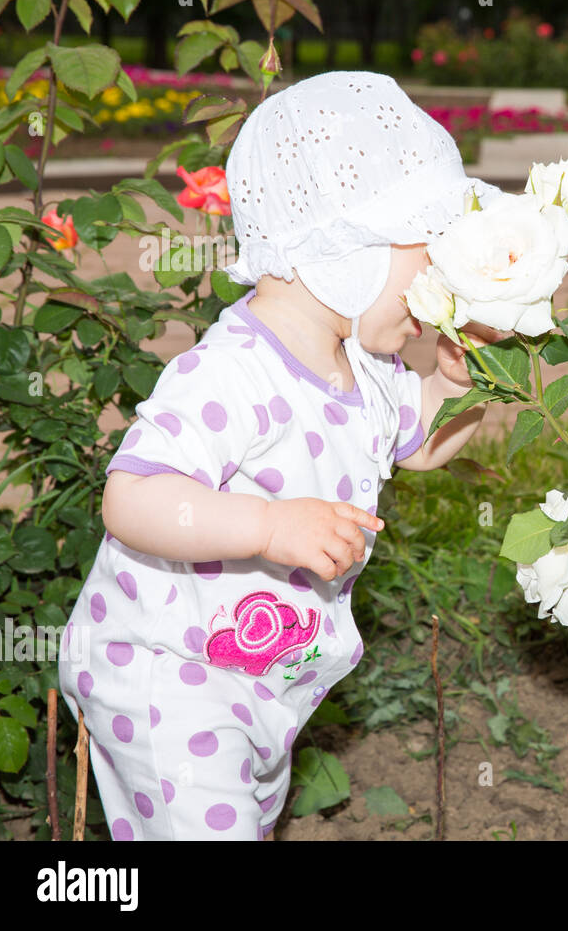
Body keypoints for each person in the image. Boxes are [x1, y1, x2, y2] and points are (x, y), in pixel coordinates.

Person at [58, 71, 503, 840]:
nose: (438, 281)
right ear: (345, 249)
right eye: (425, 255)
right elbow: (131, 496)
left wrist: (468, 386)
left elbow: (423, 445)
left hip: (264, 678)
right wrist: (266, 526)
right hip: (165, 669)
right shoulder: (232, 370)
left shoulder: (367, 369)